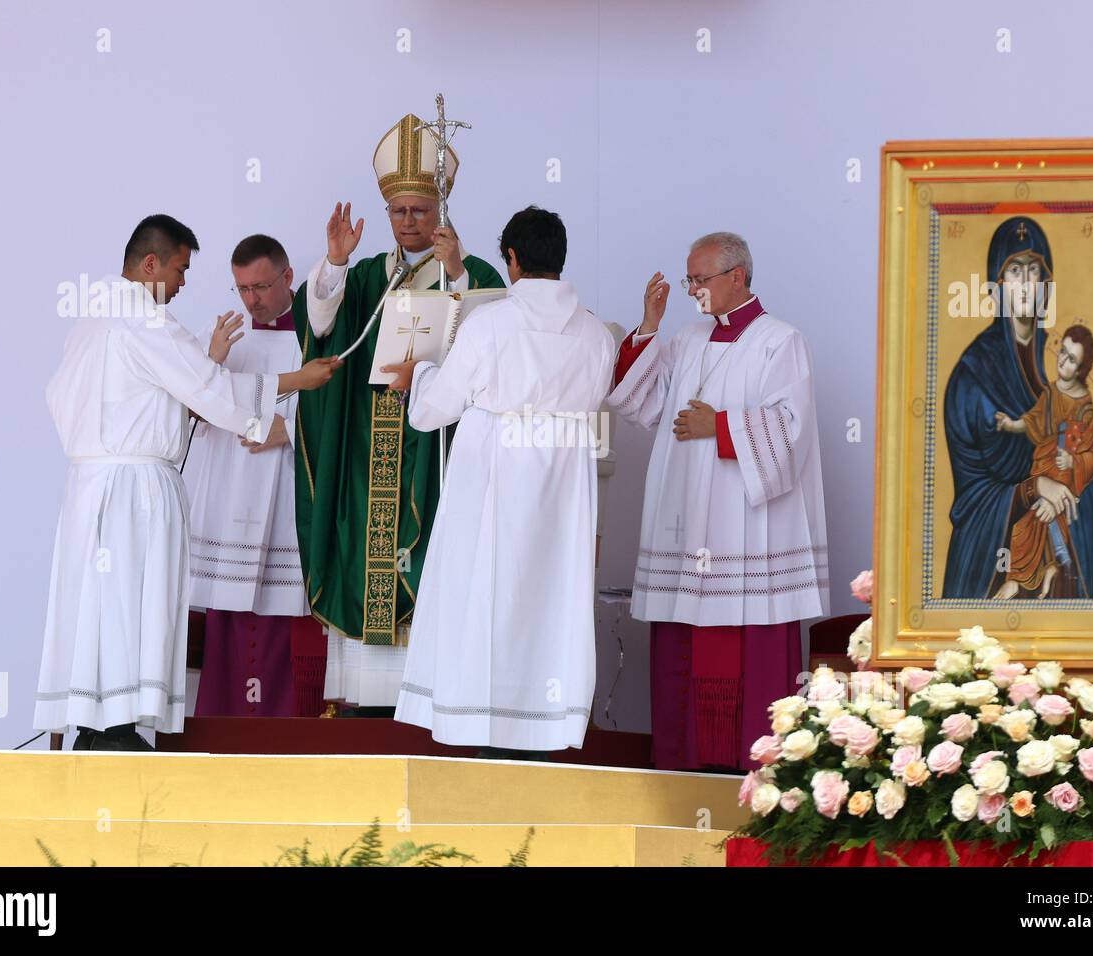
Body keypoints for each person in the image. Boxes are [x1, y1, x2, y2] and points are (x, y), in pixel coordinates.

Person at [35, 214, 338, 751]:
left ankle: (96, 726)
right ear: (150, 263)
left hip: (90, 486)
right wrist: (299, 380)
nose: (182, 284)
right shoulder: (143, 319)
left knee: (99, 607)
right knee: (132, 601)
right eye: (179, 269)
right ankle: (118, 732)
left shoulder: (94, 319)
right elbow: (213, 392)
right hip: (133, 488)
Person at [293, 113, 505, 715]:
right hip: (367, 445)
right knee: (366, 550)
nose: (408, 222)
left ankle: (433, 699)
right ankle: (366, 701)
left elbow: (495, 342)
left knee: (435, 548)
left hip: (437, 449)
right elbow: (323, 325)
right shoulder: (365, 277)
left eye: (419, 210)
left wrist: (458, 274)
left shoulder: (474, 273)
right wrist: (333, 264)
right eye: (398, 212)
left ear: (441, 210)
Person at [383, 206, 615, 753]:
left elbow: (434, 410)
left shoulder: (491, 324)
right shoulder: (596, 334)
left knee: (485, 588)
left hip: (495, 472)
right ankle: (542, 723)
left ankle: (481, 726)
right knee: (548, 593)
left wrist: (420, 375)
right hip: (562, 482)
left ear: (511, 259)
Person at [608, 232, 829, 772]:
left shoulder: (781, 341)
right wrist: (650, 326)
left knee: (747, 643)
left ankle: (752, 769)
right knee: (684, 643)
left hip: (746, 526)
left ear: (738, 276)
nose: (693, 290)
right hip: (687, 520)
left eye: (700, 280)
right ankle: (685, 763)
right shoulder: (685, 340)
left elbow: (792, 429)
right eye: (689, 281)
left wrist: (721, 426)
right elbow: (640, 401)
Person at [182, 234, 326, 717]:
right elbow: (185, 411)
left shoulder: (317, 333)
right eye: (241, 288)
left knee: (279, 619)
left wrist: (292, 431)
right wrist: (211, 361)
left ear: (288, 278)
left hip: (284, 492)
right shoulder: (222, 332)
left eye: (261, 287)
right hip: (228, 492)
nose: (251, 300)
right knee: (228, 611)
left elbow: (342, 415)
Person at [941, 216, 1093, 599]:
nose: (1027, 284)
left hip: (1061, 540)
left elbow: (1089, 459)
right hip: (992, 549)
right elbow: (972, 495)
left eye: (1035, 271)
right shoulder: (973, 374)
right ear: (997, 285)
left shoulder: (1064, 358)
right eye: (1014, 271)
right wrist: (1034, 487)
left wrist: (1070, 478)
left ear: (1047, 284)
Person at [992, 324, 1093, 599]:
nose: (1063, 360)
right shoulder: (1051, 393)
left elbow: (1092, 456)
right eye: (1062, 352)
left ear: (1081, 369)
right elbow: (1033, 422)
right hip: (1044, 471)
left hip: (1065, 479)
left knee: (1032, 522)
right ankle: (1045, 570)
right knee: (1026, 524)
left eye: (1071, 359)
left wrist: (1073, 462)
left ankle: (1024, 577)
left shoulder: (1086, 406)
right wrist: (1010, 425)